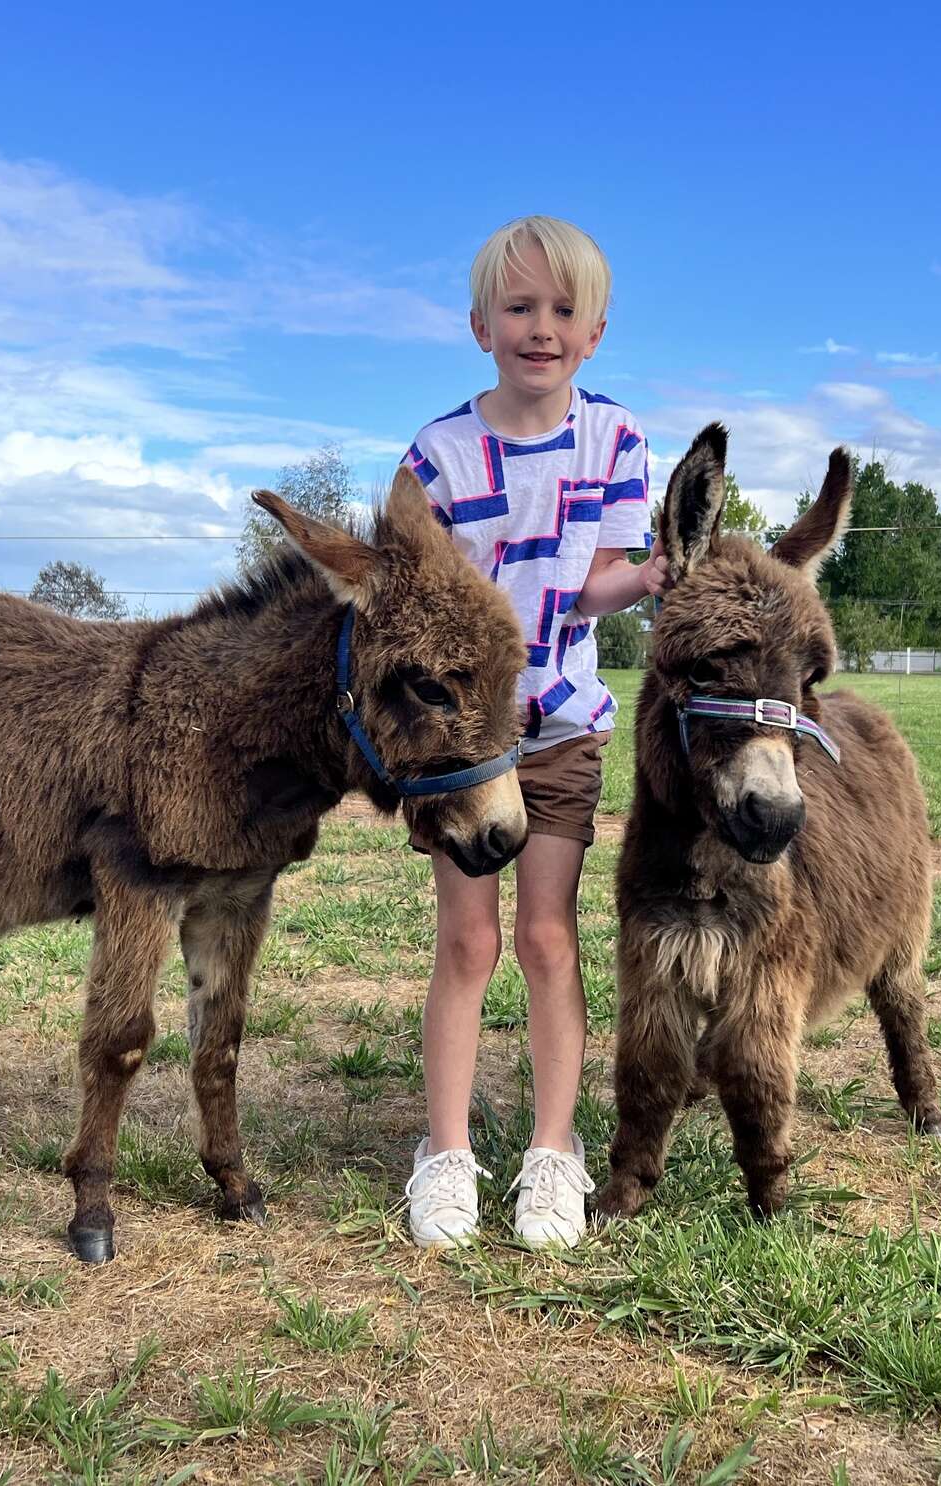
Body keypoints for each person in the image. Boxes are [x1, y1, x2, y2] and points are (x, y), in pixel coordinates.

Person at [400, 215, 670, 1249]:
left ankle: (554, 1151)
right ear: (480, 326)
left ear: (594, 331)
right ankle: (445, 1150)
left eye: (563, 311)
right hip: (463, 743)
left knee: (549, 938)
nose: (540, 328)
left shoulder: (617, 442)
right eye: (519, 308)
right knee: (467, 941)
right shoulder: (436, 457)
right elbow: (419, 598)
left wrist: (643, 577)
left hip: (561, 729)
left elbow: (596, 579)